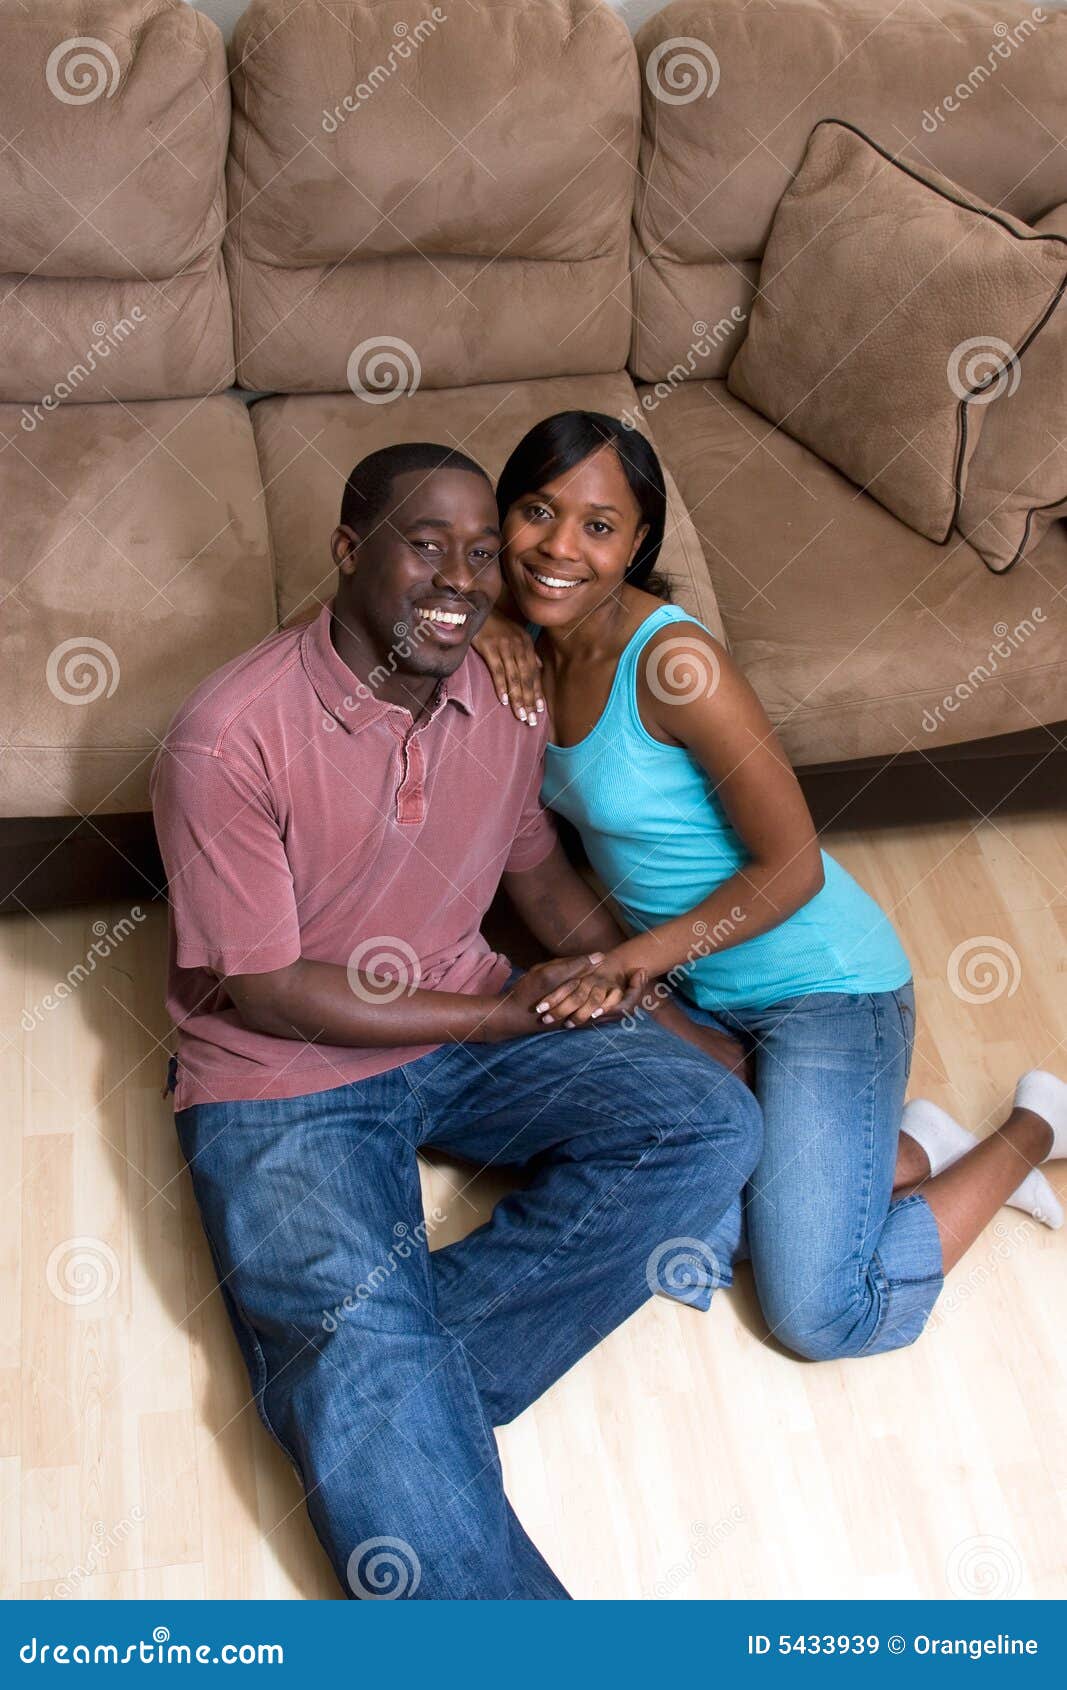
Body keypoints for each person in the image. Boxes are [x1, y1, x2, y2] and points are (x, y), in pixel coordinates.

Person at [150, 441, 762, 1600]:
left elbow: (533, 877)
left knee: (706, 1128)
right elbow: (267, 987)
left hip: (459, 1017)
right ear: (346, 551)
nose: (462, 578)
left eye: (481, 555)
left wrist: (663, 1014)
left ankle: (375, 1393)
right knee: (361, 1352)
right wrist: (491, 1019)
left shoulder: (502, 685)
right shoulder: (224, 737)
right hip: (282, 1079)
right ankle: (378, 1401)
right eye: (424, 546)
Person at [473, 409, 1067, 1363]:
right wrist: (490, 613)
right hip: (697, 981)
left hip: (825, 987)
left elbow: (790, 866)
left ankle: (1029, 1128)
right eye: (536, 512)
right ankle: (901, 1152)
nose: (558, 548)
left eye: (597, 526)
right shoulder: (517, 641)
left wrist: (633, 966)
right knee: (670, 1227)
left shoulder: (676, 666)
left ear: (637, 545)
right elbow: (348, 604)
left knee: (816, 1312)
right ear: (499, 519)